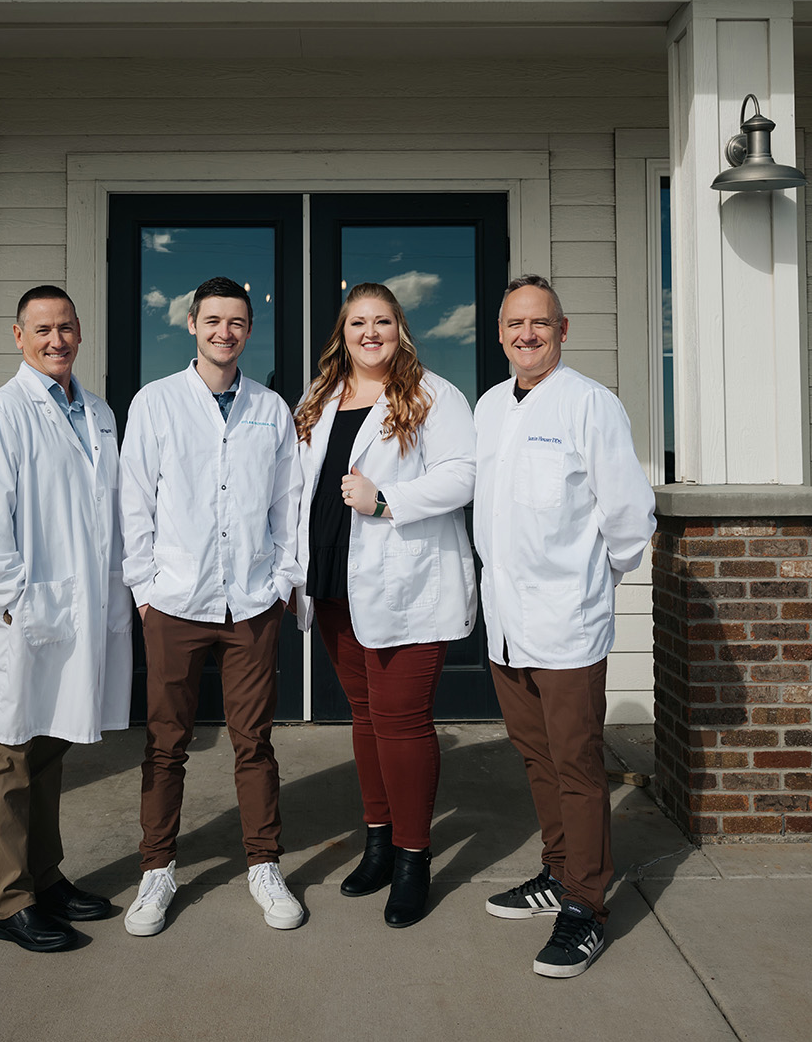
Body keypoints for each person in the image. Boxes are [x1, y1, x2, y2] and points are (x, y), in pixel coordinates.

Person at [473, 274, 656, 980]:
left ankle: (585, 905)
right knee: (537, 758)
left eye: (540, 323)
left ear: (562, 330)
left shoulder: (590, 405)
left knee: (578, 766)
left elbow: (629, 519)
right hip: (508, 624)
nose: (527, 334)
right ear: (499, 333)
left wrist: (592, 583)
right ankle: (557, 871)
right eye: (515, 323)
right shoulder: (491, 408)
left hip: (568, 622)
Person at [118, 276, 305, 937]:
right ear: (191, 324)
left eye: (237, 322)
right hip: (175, 601)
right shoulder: (157, 403)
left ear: (248, 332)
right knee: (167, 744)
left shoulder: (270, 409)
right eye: (213, 320)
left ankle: (263, 863)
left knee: (254, 742)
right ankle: (156, 869)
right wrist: (143, 589)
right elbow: (134, 502)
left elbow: (291, 503)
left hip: (252, 604)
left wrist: (283, 583)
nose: (224, 331)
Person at [0, 285, 133, 954]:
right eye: (43, 329)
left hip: (80, 609)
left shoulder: (98, 414)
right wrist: (19, 602)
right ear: (19, 338)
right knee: (10, 754)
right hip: (30, 613)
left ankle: (46, 877)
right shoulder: (0, 416)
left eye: (67, 327)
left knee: (50, 748)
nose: (57, 339)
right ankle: (9, 900)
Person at [292, 282, 477, 928]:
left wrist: (387, 500)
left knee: (401, 721)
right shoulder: (319, 399)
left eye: (382, 321)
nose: (370, 333)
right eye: (357, 323)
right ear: (341, 333)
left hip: (406, 581)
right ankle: (377, 840)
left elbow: (463, 474)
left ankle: (412, 857)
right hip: (335, 583)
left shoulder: (431, 394)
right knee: (366, 718)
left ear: (401, 328)